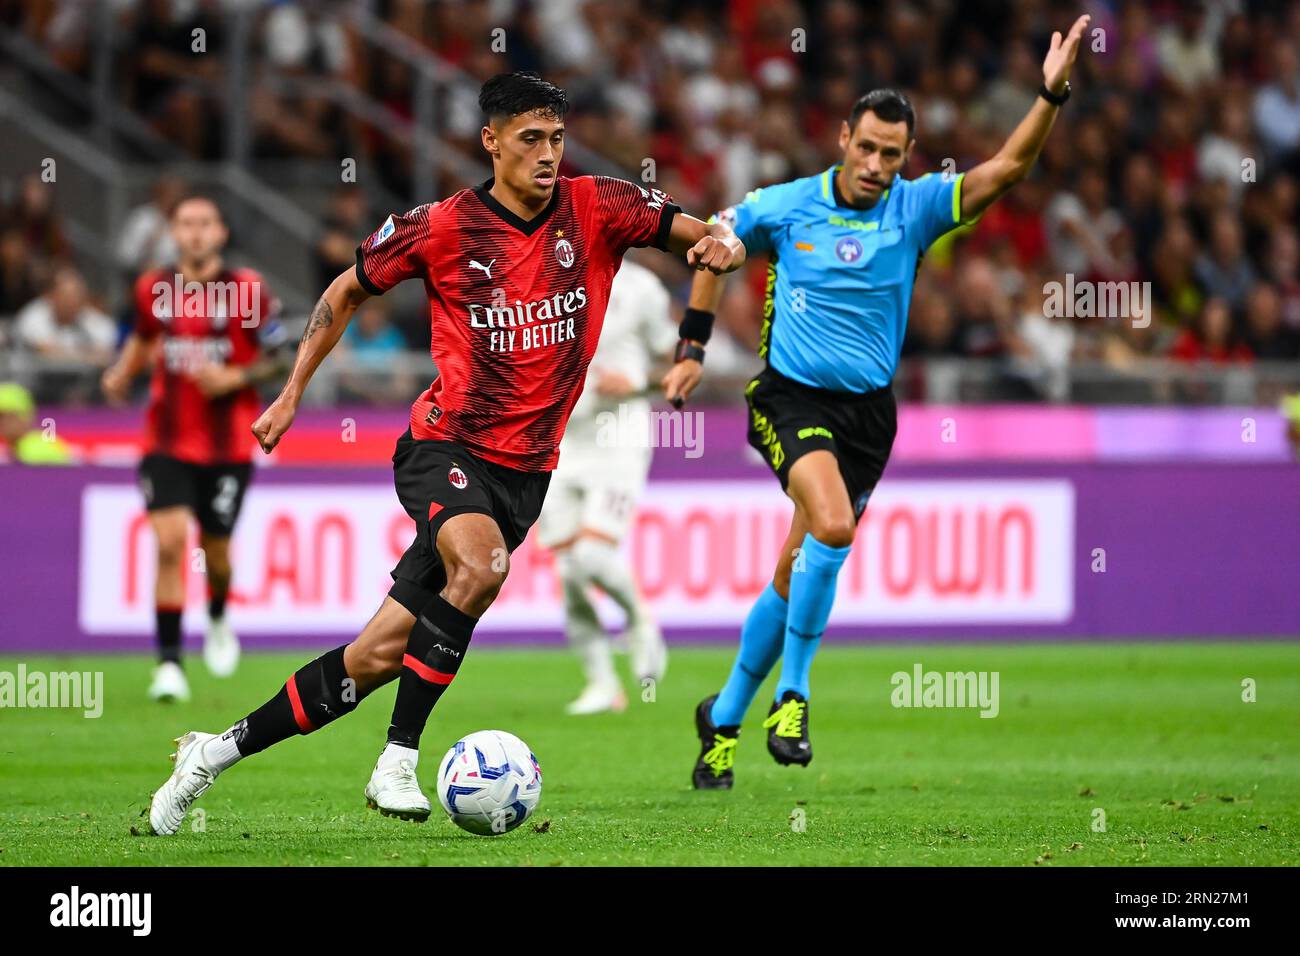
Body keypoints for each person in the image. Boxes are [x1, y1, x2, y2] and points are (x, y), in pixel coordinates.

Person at [146, 72, 743, 835]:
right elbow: (345, 291)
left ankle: (211, 754)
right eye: (530, 139)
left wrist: (710, 285)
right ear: (490, 142)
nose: (548, 155)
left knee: (374, 656)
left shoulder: (601, 207)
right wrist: (292, 392)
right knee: (481, 567)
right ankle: (399, 758)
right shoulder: (443, 227)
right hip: (443, 444)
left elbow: (706, 241)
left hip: (525, 475)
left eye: (557, 139)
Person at [678, 16, 1092, 789]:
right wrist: (693, 346)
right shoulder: (787, 203)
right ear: (843, 137)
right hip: (788, 397)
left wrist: (1050, 95)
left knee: (793, 568)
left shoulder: (916, 208)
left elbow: (1006, 169)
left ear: (907, 157)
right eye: (864, 147)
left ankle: (723, 715)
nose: (874, 165)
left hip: (868, 417)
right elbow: (717, 241)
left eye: (890, 155)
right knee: (832, 526)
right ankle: (794, 696)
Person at [102, 195, 292, 703]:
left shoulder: (247, 289)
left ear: (221, 232)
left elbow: (282, 357)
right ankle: (168, 664)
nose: (195, 233)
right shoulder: (152, 289)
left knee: (218, 556)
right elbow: (144, 338)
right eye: (185, 224)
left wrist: (236, 375)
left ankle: (218, 614)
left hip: (229, 447)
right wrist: (124, 372)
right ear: (174, 233)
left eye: (205, 223)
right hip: (164, 442)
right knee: (167, 545)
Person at [535, 256, 677, 715]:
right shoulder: (547, 282)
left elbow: (681, 362)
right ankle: (601, 684)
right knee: (569, 573)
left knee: (592, 556)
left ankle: (641, 621)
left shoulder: (642, 288)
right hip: (561, 439)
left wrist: (637, 381)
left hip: (619, 436)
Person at [0, 382, 73, 465]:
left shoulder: (38, 448)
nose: (2, 422)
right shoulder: (19, 447)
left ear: (25, 417)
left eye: (4, 415)